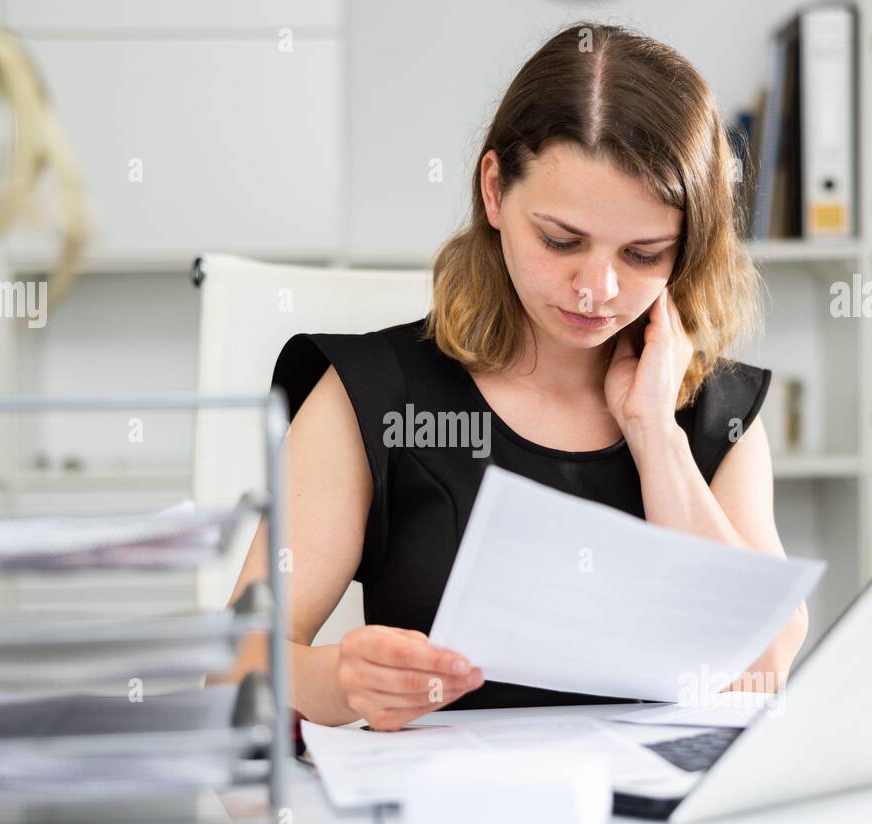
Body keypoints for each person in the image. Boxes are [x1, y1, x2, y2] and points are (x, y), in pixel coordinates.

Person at [216, 21, 808, 730]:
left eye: (645, 254)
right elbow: (230, 664)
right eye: (561, 240)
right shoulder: (370, 393)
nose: (598, 287)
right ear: (494, 190)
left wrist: (655, 434)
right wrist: (330, 679)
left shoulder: (716, 412)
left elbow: (761, 671)